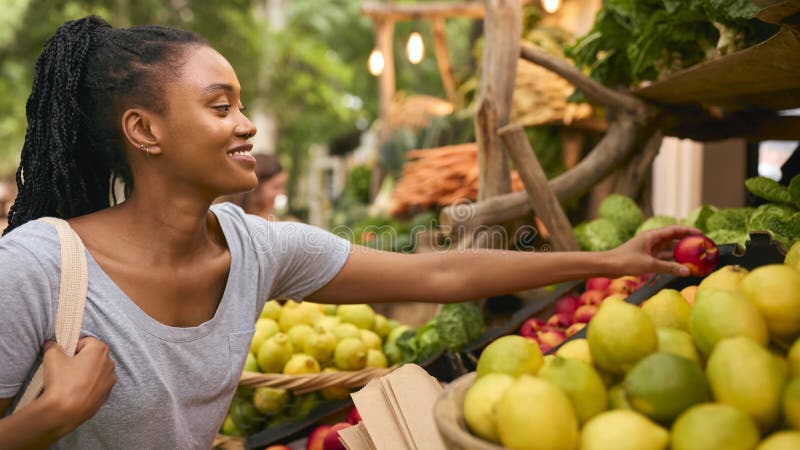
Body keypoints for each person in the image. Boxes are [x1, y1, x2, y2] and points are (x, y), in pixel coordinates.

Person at [0, 16, 700, 449]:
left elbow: (440, 274)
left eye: (242, 104)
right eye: (221, 107)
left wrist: (610, 258)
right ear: (144, 131)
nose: (246, 126)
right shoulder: (40, 268)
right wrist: (49, 417)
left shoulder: (254, 249)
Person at [218, 153, 288, 221]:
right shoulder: (229, 219)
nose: (282, 192)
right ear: (256, 187)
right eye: (276, 187)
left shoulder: (270, 219)